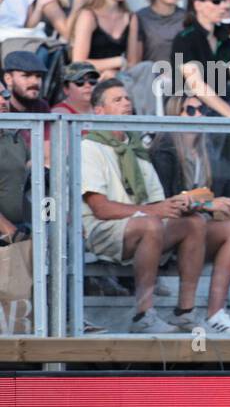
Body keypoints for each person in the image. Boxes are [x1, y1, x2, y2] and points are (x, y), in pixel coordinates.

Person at [79, 77, 208, 334]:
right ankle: (143, 315)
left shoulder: (136, 147)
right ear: (99, 111)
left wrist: (182, 203)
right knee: (150, 224)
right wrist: (154, 211)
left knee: (194, 223)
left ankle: (184, 311)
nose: (126, 103)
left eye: (127, 98)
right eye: (117, 100)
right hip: (101, 230)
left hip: (139, 224)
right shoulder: (89, 147)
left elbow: (157, 202)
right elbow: (100, 209)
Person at [150, 92, 230, 333]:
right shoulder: (163, 149)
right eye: (191, 110)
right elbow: (167, 202)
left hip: (199, 222)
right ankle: (216, 312)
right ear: (176, 115)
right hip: (172, 228)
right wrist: (209, 204)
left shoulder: (205, 149)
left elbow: (211, 196)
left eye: (203, 110)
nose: (199, 116)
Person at [70, 0, 141, 76]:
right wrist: (117, 62)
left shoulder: (130, 17)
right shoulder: (88, 16)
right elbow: (78, 63)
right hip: (89, 79)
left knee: (147, 68)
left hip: (120, 78)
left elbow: (133, 63)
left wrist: (115, 71)